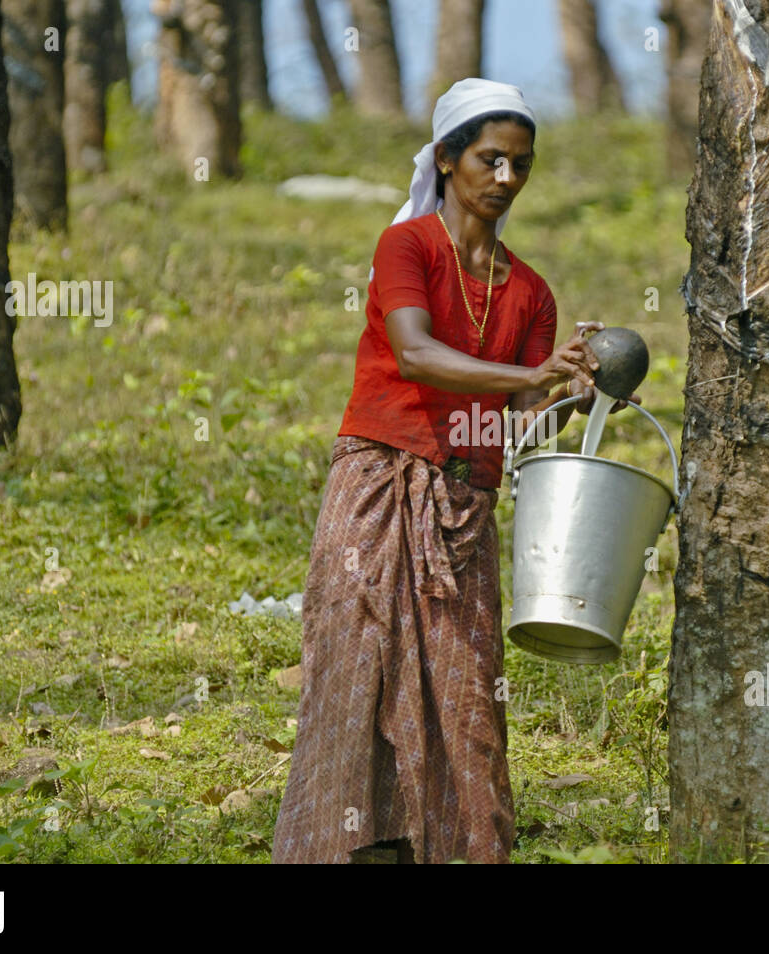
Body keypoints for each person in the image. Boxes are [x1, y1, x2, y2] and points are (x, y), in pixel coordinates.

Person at [271, 78, 637, 865]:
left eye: (521, 165)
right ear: (445, 159)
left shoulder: (530, 291)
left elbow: (520, 425)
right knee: (351, 680)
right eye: (490, 159)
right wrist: (528, 374)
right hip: (376, 484)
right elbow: (417, 354)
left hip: (465, 504)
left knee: (465, 700)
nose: (506, 178)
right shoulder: (405, 248)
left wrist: (572, 395)